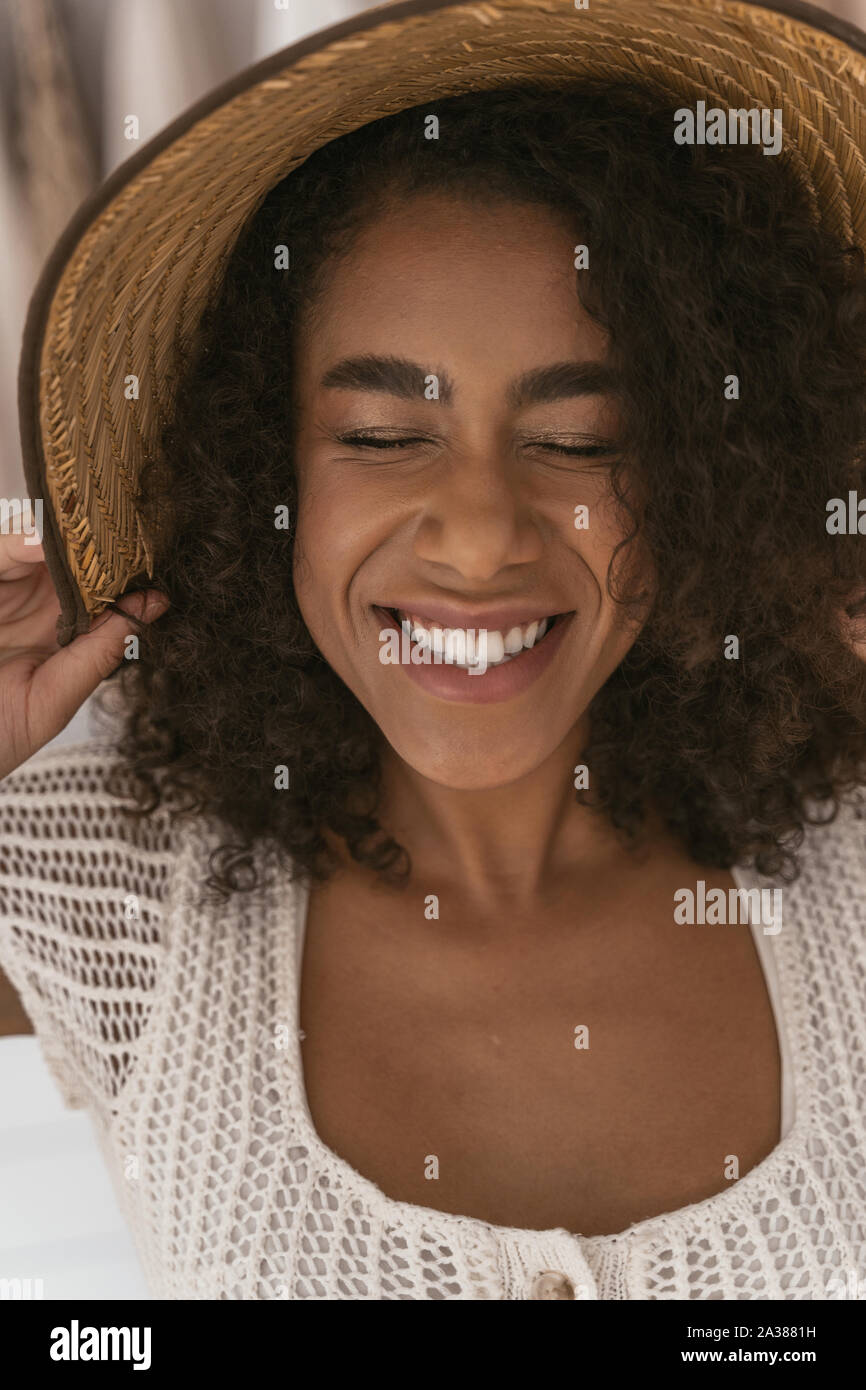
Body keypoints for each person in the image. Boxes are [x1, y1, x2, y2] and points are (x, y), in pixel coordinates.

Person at [2, 0, 866, 1301]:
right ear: (259, 468)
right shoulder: (110, 880)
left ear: (703, 475)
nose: (475, 539)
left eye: (580, 441)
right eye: (381, 435)